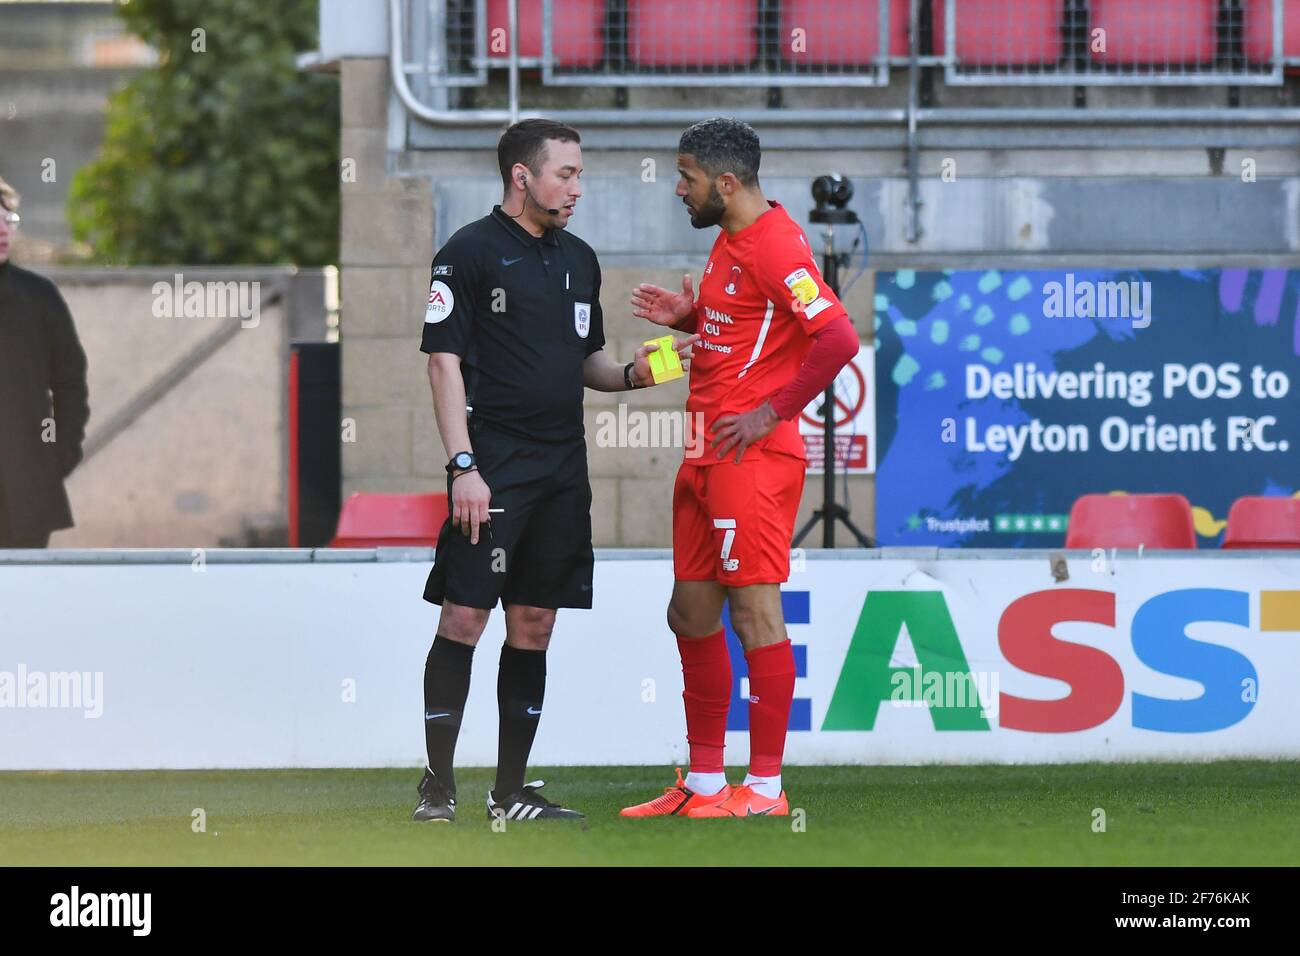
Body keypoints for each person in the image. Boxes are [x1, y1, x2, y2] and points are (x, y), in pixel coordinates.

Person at [413, 119, 697, 823]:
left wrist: (657, 364)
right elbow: (442, 363)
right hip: (493, 468)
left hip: (564, 470)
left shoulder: (579, 260)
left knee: (535, 622)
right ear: (521, 177)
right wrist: (463, 467)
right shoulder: (467, 254)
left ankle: (510, 794)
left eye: (580, 174)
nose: (578, 188)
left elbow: (591, 367)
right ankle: (438, 787)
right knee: (464, 616)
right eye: (566, 174)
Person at [621, 118, 858, 818]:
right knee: (690, 613)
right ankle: (701, 783)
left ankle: (765, 789)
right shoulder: (731, 239)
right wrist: (690, 316)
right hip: (705, 451)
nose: (677, 189)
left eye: (686, 177)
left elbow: (837, 336)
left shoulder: (778, 243)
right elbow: (757, 327)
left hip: (748, 455)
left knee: (755, 613)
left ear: (726, 183)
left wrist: (768, 413)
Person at [0, 174, 89, 549]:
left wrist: (59, 456)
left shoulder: (39, 296)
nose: (3, 229)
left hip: (25, 494)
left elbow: (70, 383)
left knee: (21, 602)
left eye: (8, 219)